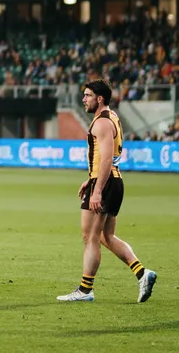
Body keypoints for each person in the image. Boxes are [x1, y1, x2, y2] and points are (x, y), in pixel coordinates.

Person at [57, 80, 157, 304]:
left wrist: (97, 190)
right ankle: (142, 274)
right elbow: (105, 158)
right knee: (105, 236)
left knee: (91, 237)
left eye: (88, 95)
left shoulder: (101, 123)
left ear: (99, 98)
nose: (84, 99)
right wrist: (90, 179)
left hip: (106, 182)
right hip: (111, 180)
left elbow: (107, 158)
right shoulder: (112, 117)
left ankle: (85, 290)